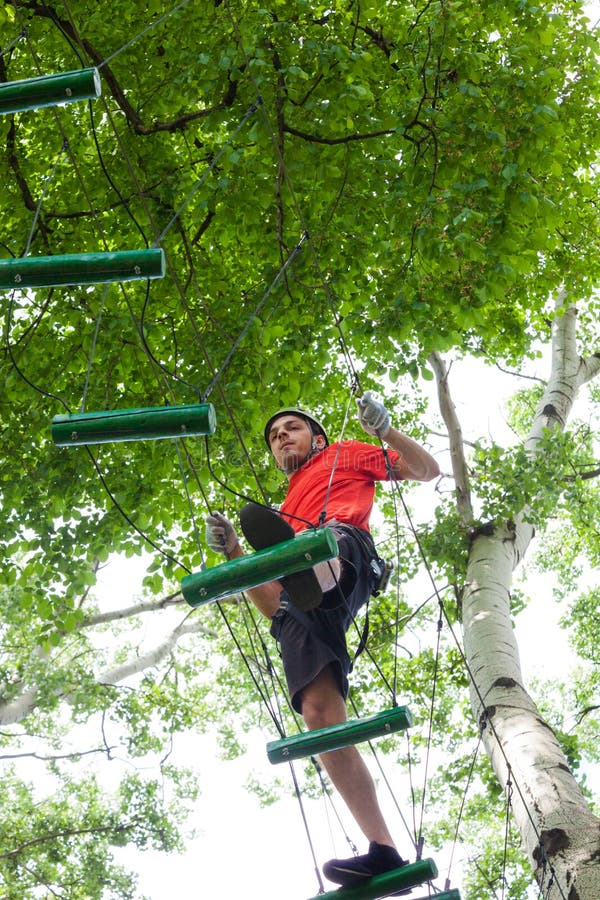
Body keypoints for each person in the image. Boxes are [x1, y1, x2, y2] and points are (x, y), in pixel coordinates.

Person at [205, 391, 440, 887]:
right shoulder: (285, 509)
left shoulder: (343, 455)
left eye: (290, 427)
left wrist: (385, 429)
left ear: (317, 438)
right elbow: (274, 609)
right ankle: (383, 850)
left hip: (345, 549)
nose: (279, 437)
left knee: (314, 550)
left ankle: (311, 563)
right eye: (273, 436)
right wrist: (233, 553)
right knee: (318, 717)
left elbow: (426, 470)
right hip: (300, 601)